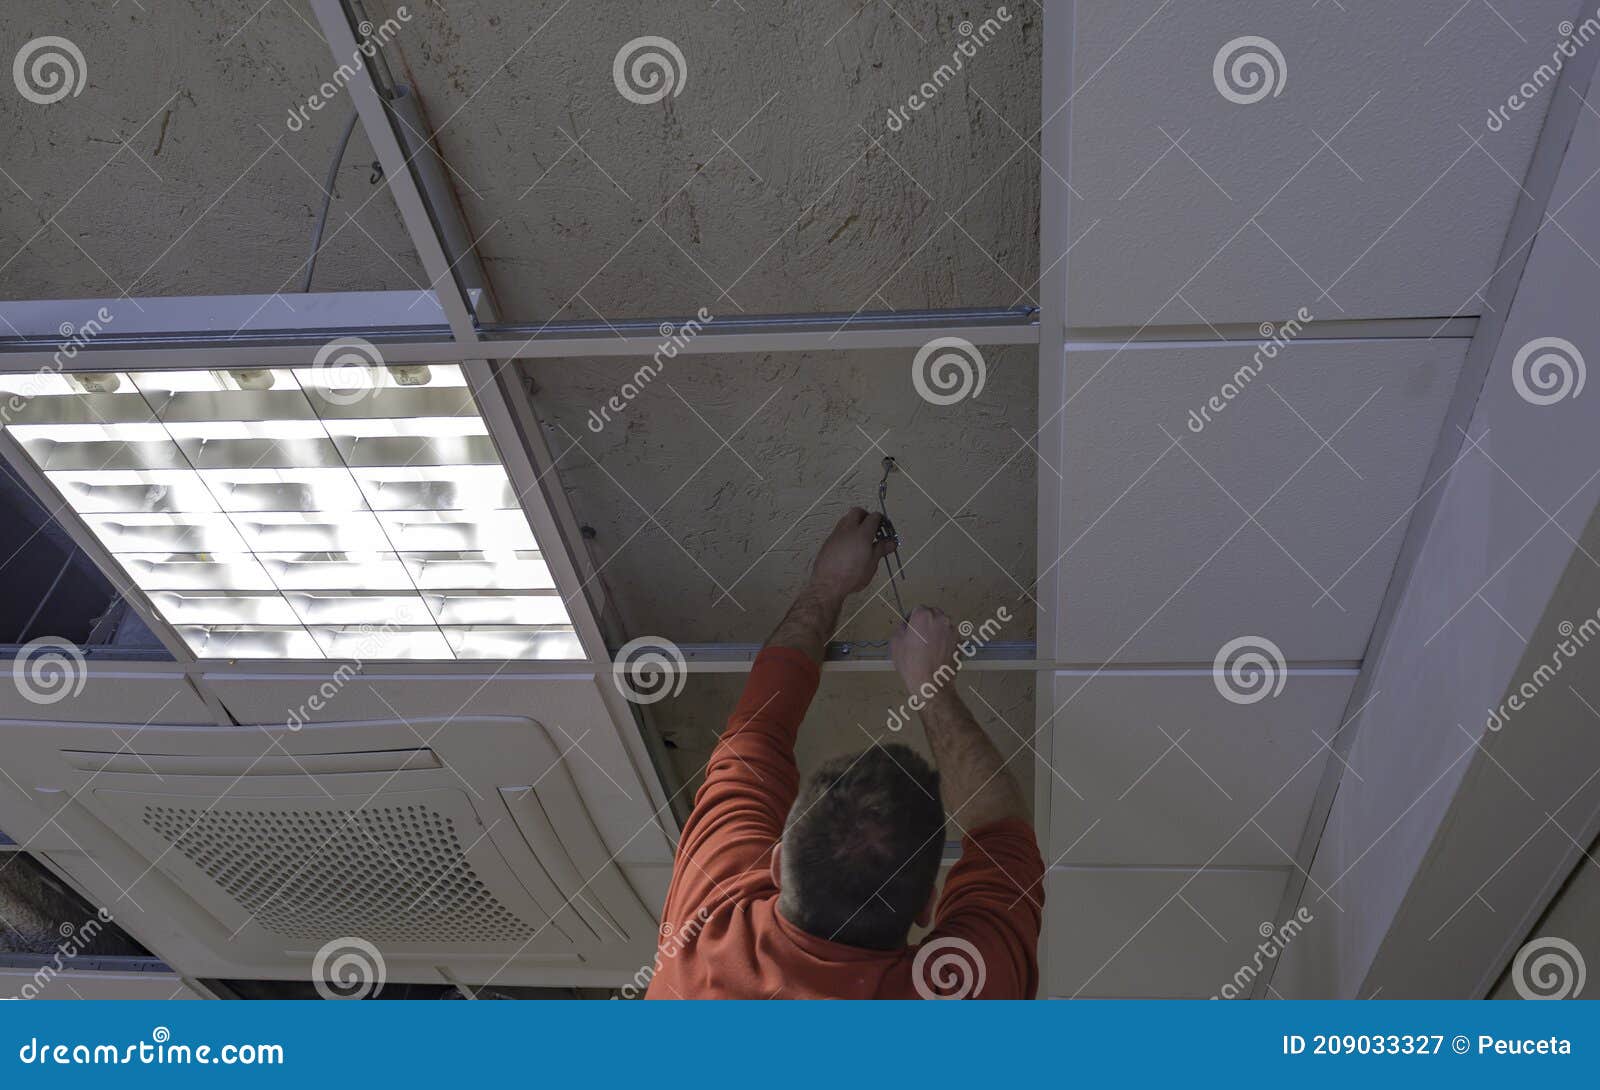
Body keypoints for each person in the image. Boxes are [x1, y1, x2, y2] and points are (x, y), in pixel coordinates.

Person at [644, 507, 1043, 999]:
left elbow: (756, 732)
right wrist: (931, 685)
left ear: (775, 864)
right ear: (928, 908)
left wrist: (827, 585)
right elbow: (1002, 837)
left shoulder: (705, 938)